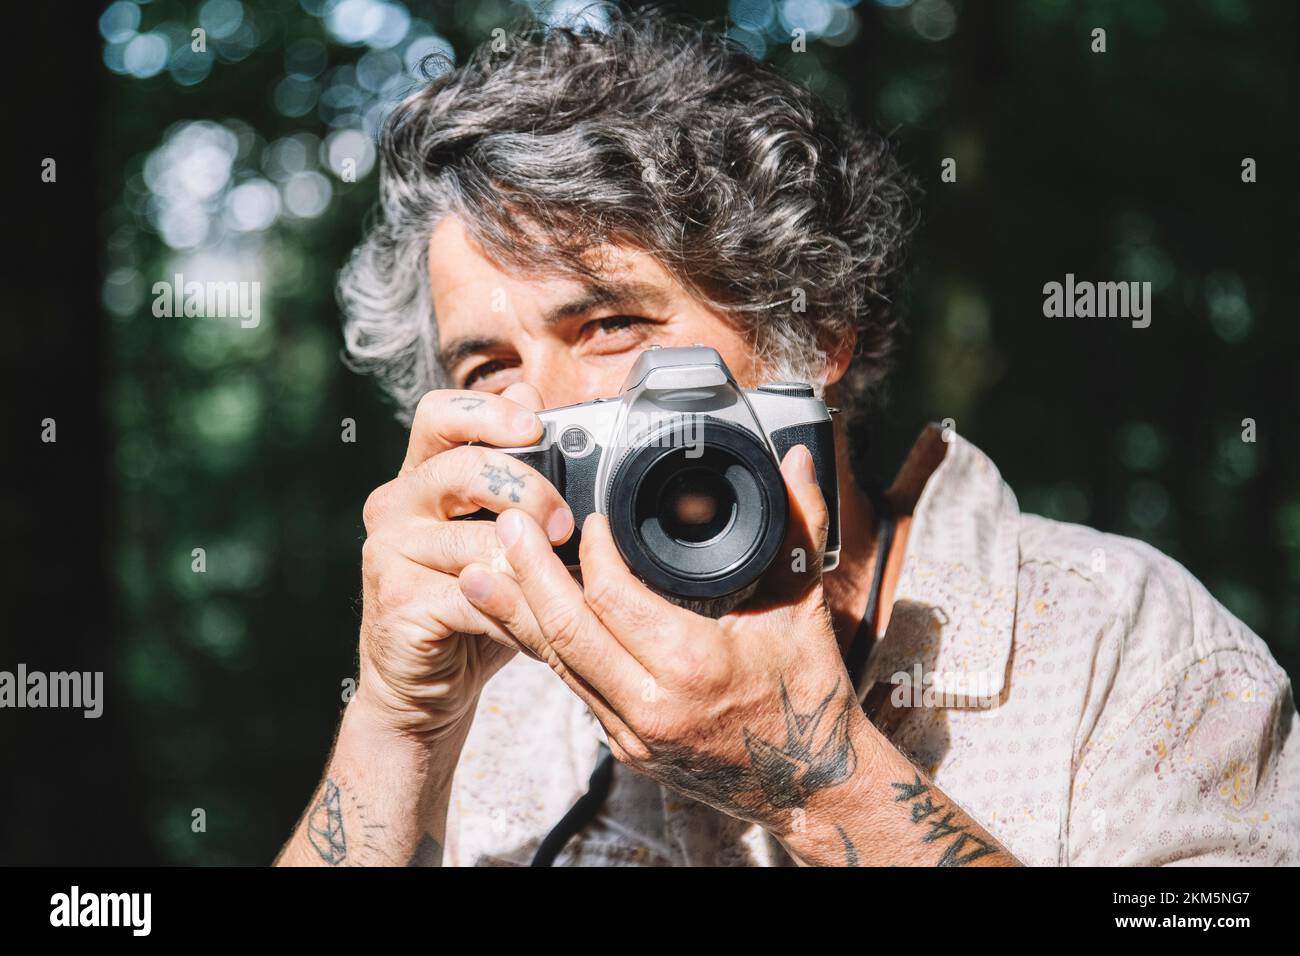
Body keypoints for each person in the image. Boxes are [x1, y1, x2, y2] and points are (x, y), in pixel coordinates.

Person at [275, 10, 1298, 867]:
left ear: (811, 333)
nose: (536, 408)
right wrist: (397, 724)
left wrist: (820, 782)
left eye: (610, 326)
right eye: (486, 366)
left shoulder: (1128, 641)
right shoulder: (501, 697)